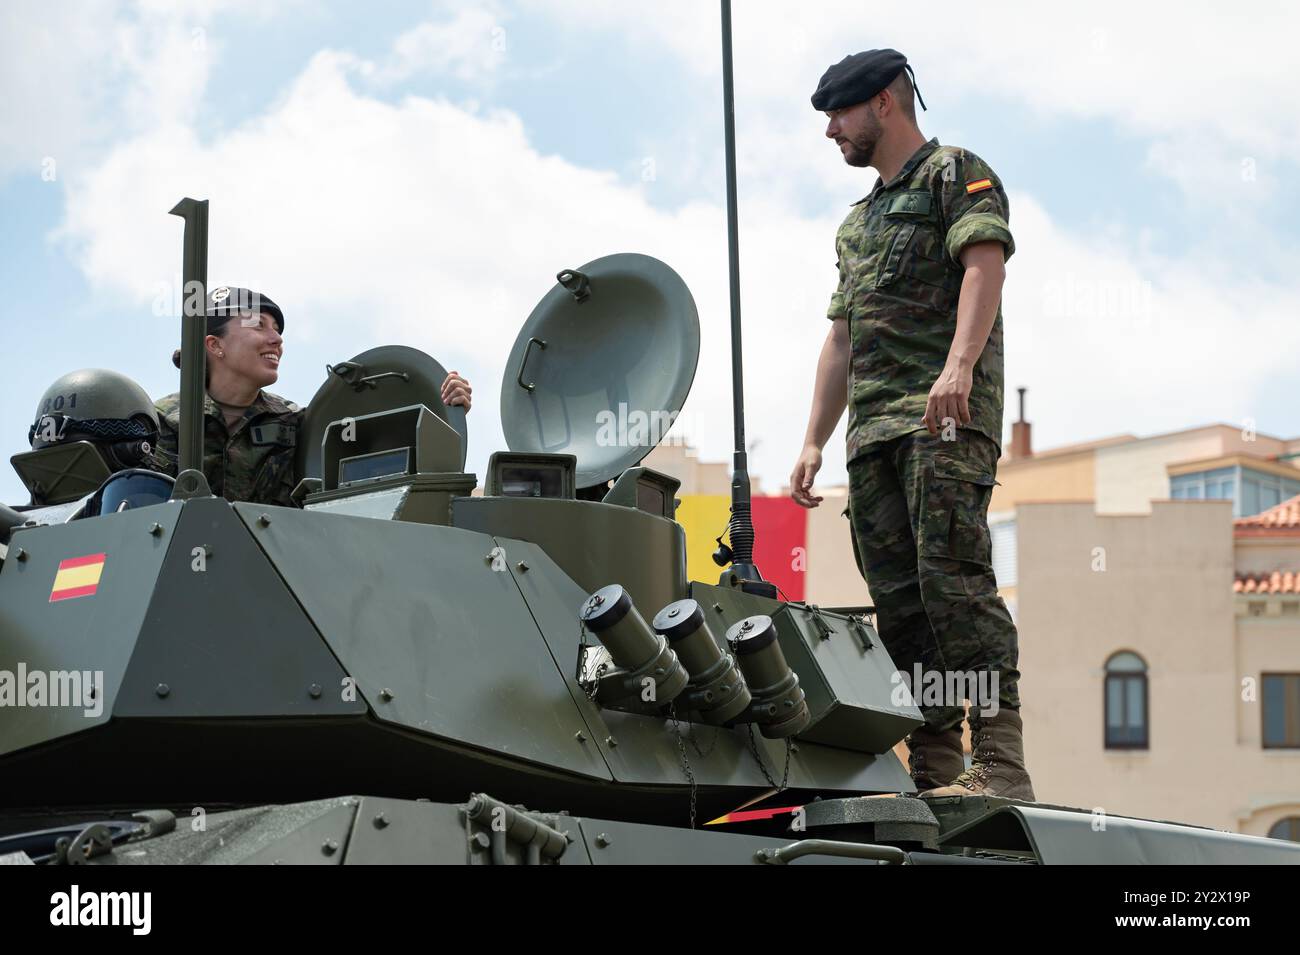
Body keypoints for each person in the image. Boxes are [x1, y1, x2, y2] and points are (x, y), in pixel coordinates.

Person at [790, 50, 1033, 800]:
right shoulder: (856, 223)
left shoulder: (954, 173)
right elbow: (841, 338)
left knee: (954, 580)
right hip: (874, 437)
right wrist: (812, 440)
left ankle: (1000, 761)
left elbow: (984, 264)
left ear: (885, 104)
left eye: (840, 113)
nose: (831, 130)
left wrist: (958, 366)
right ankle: (936, 765)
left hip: (944, 420)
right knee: (901, 602)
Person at [153, 286, 472, 507]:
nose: (276, 339)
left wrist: (444, 407)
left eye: (277, 330)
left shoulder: (300, 425)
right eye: (259, 326)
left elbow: (381, 457)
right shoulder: (162, 422)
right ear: (214, 345)